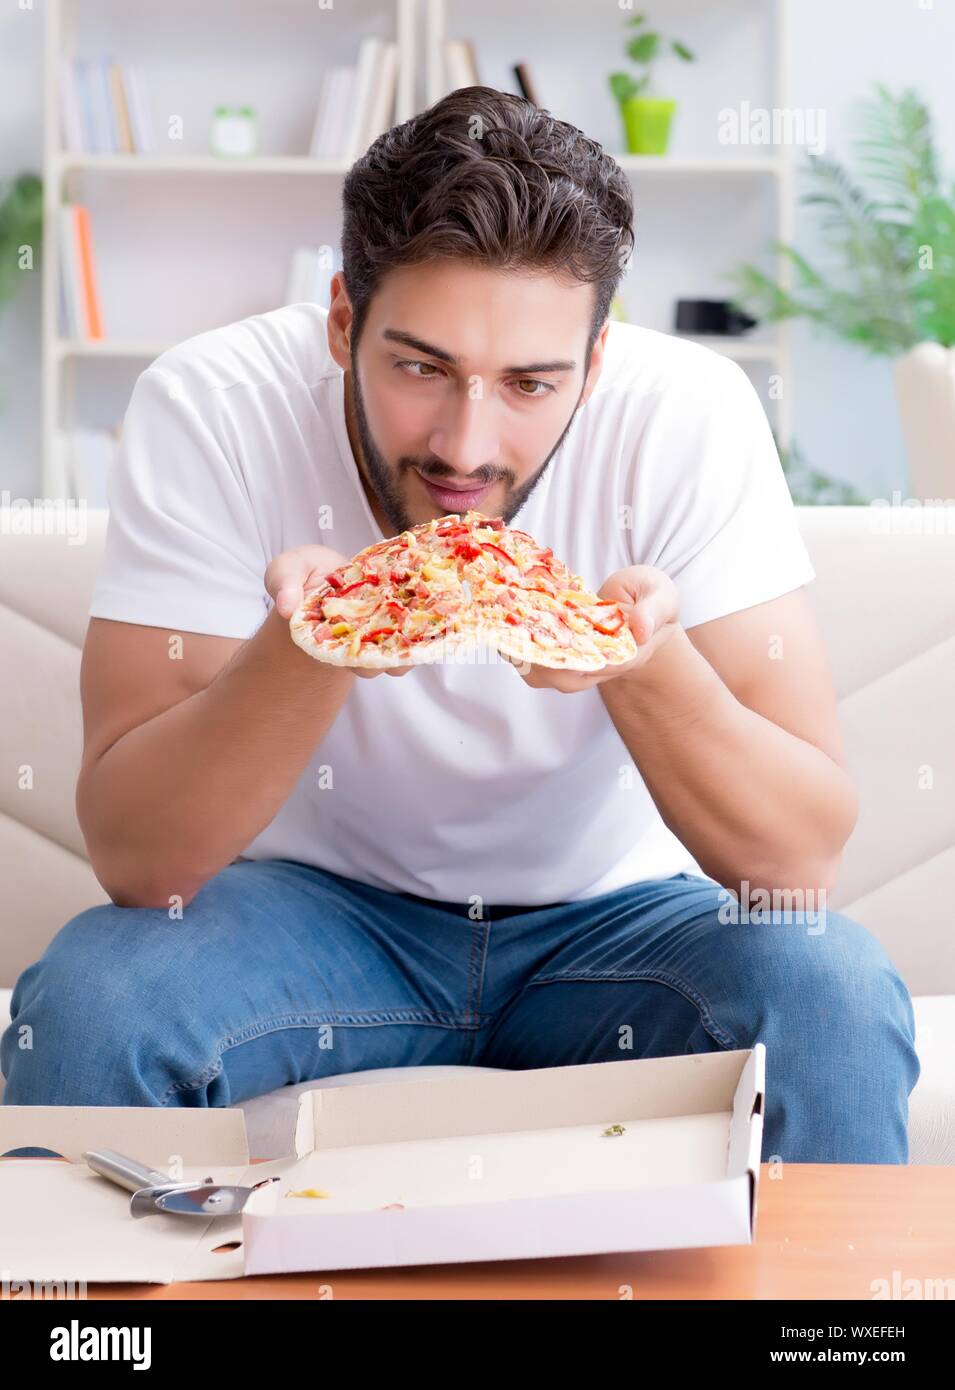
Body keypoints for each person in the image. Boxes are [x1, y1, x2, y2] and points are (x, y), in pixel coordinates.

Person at [2, 87, 919, 1163]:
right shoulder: (213, 403)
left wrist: (636, 658)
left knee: (834, 989)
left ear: (597, 362)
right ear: (343, 320)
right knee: (93, 997)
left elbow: (797, 860)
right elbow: (138, 861)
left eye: (531, 383)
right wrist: (309, 647)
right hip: (314, 918)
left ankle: (837, 1342)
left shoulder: (689, 414)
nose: (465, 447)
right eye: (419, 367)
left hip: (615, 926)